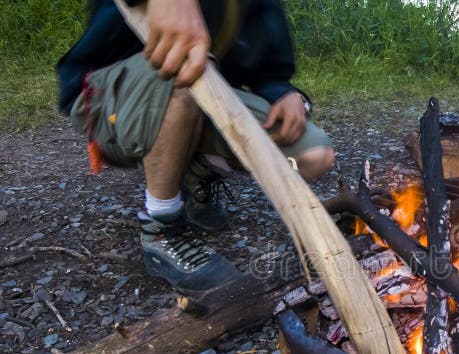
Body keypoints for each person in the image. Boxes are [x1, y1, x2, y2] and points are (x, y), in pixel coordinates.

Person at [57, 0, 335, 295]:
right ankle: (161, 229)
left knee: (313, 154)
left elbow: (268, 72)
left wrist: (287, 93)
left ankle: (194, 174)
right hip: (109, 101)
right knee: (186, 66)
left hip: (200, 97)